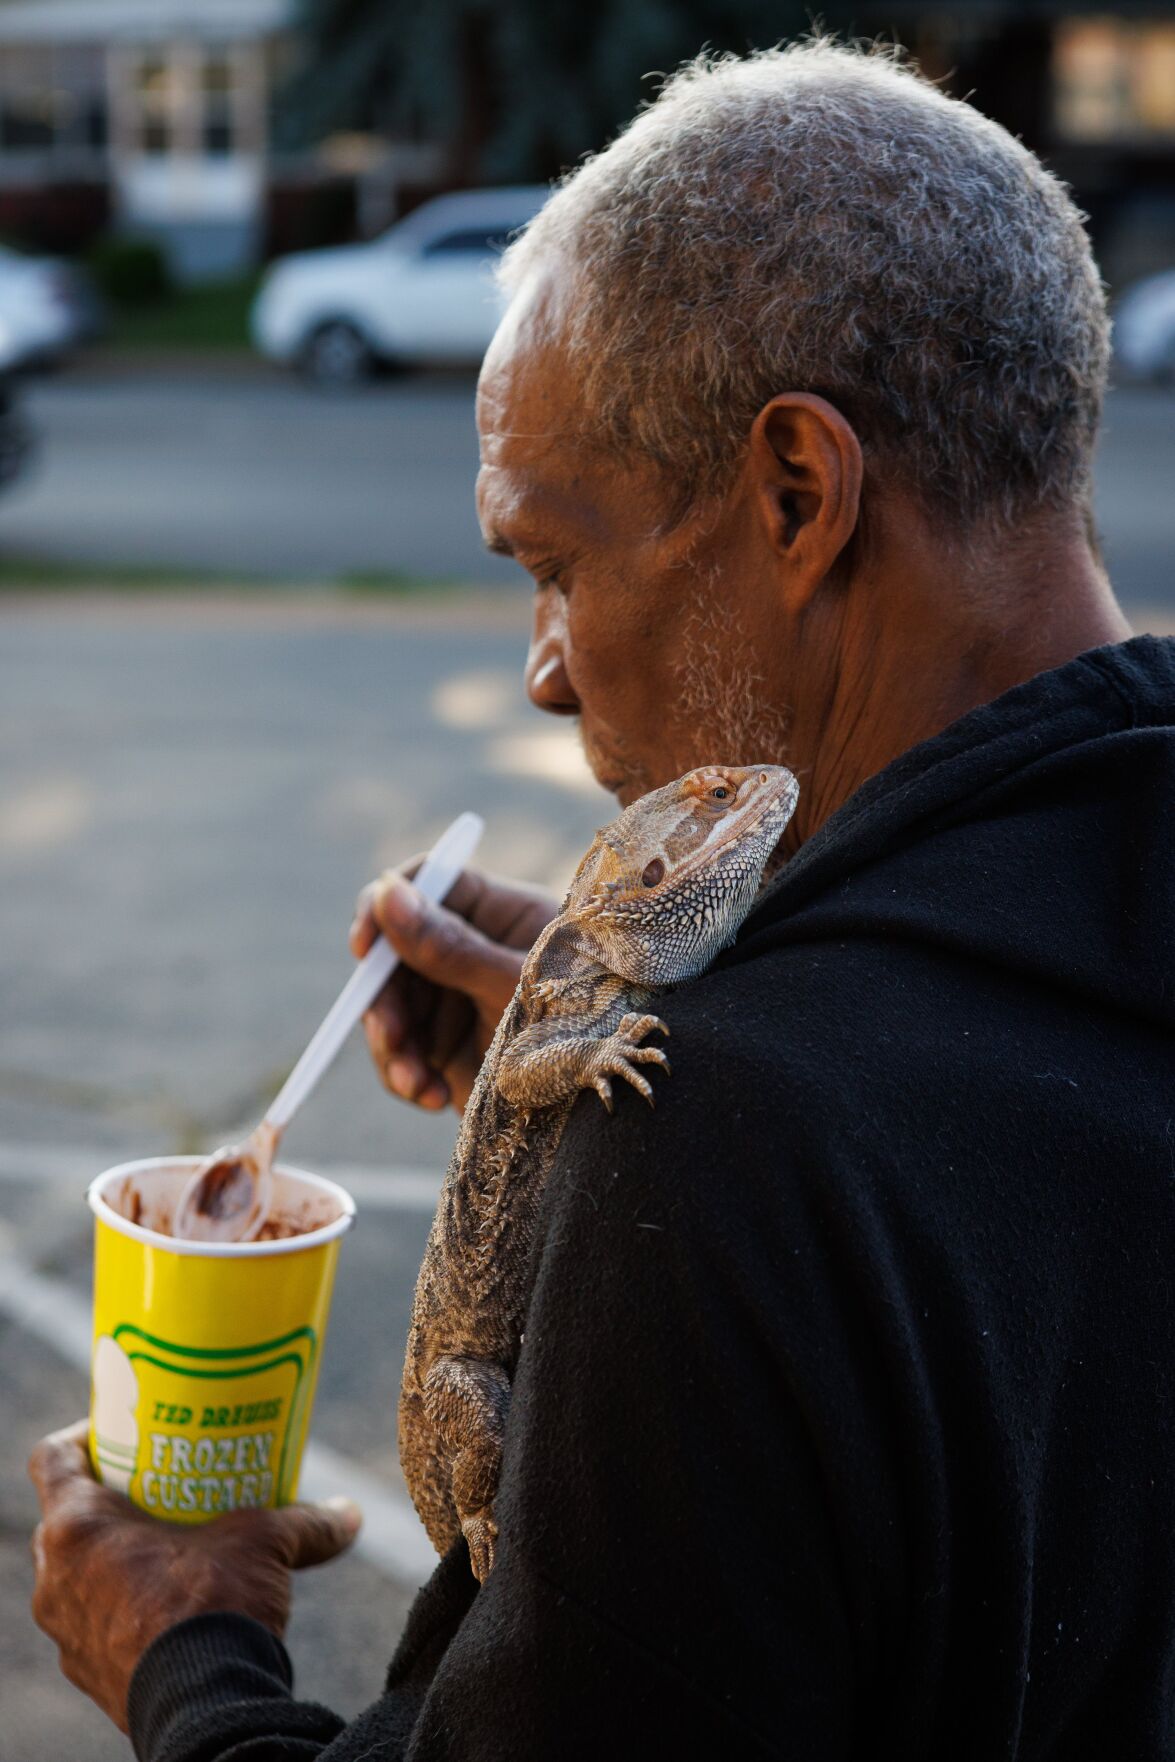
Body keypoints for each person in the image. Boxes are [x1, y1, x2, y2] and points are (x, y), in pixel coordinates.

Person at [30, 40, 1175, 1761]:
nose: (547, 675)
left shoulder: (737, 1150)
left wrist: (187, 1655)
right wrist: (638, 1010)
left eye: (556, 563)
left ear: (800, 495)